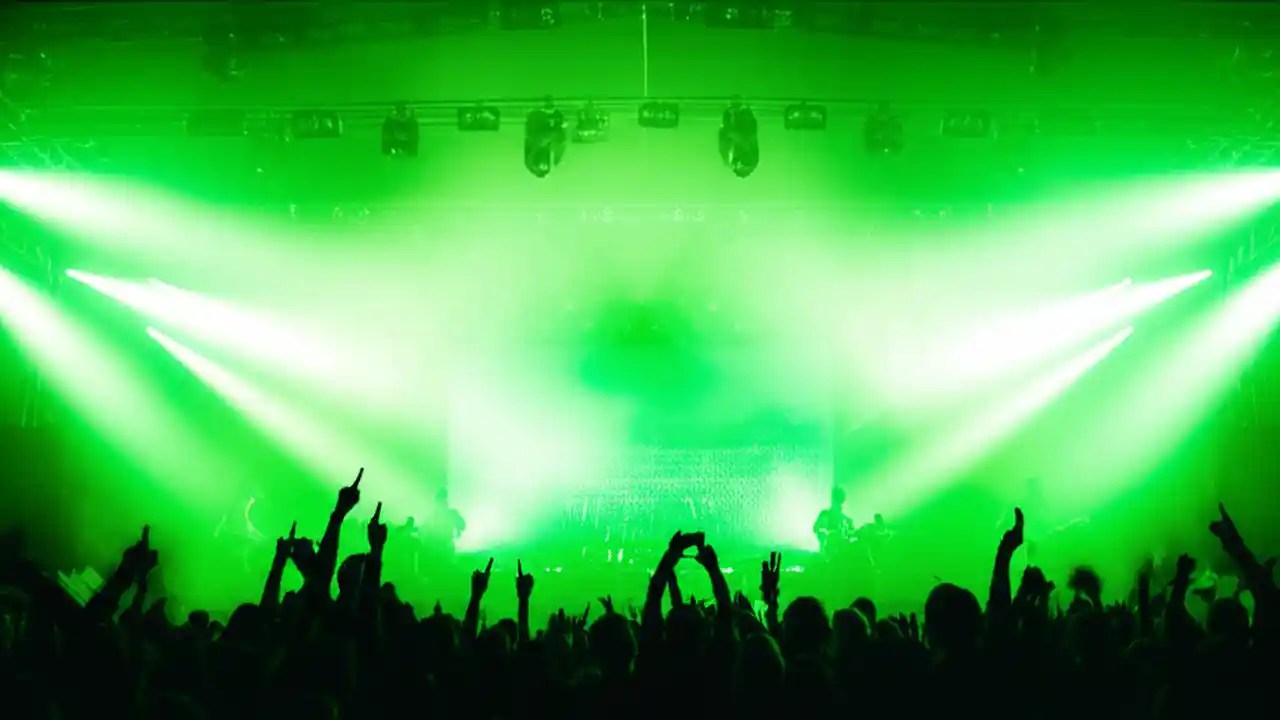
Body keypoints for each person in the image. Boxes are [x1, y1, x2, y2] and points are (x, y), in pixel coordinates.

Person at [812, 486, 854, 555]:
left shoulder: (847, 520)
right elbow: (816, 528)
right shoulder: (825, 514)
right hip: (827, 554)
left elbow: (851, 535)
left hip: (840, 554)